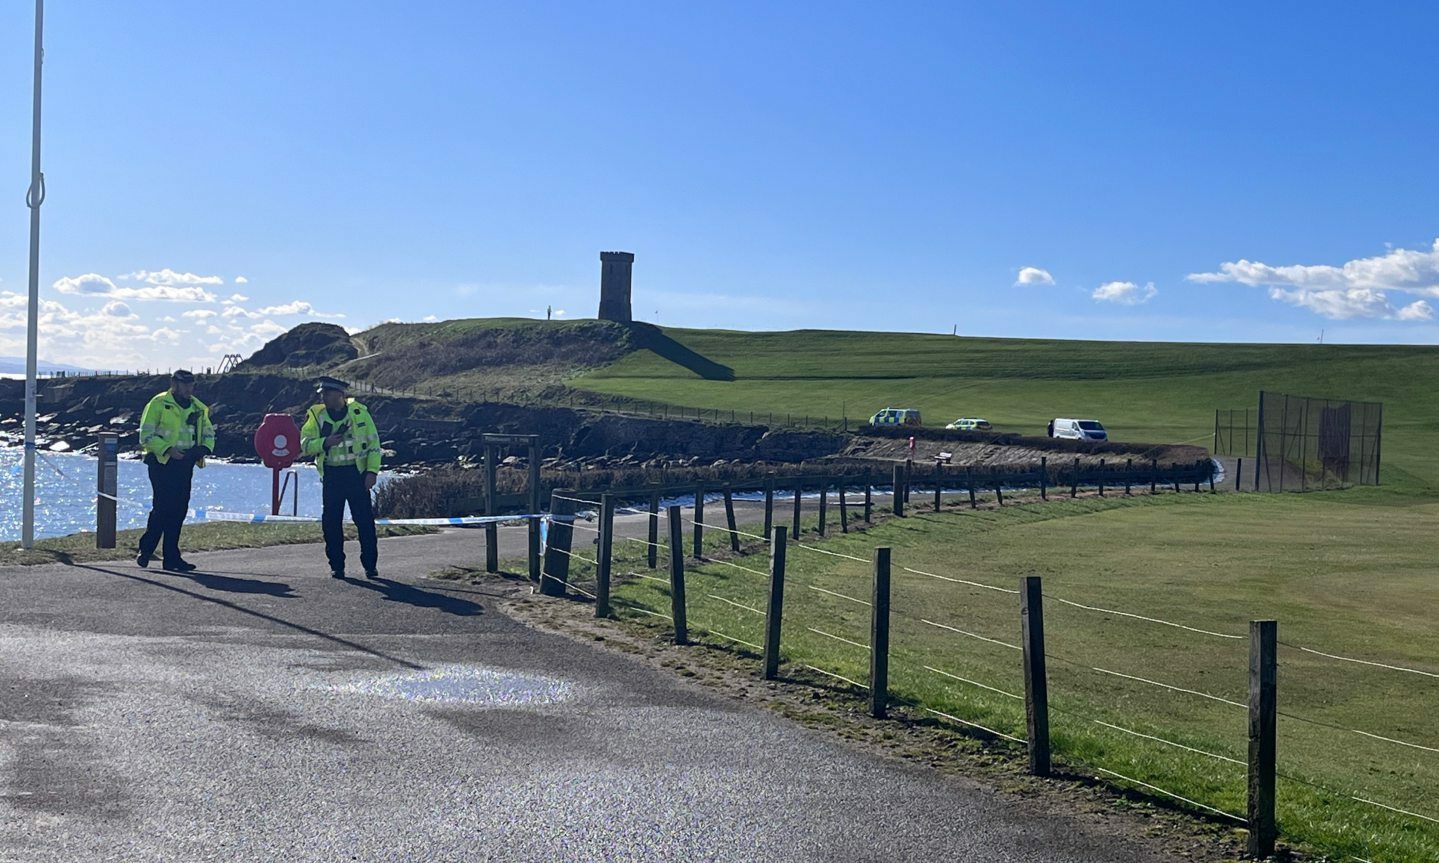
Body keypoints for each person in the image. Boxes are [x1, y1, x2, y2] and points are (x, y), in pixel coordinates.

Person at [301, 377, 382, 579]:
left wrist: (372, 472)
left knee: (365, 522)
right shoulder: (317, 416)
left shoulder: (359, 413)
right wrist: (324, 442)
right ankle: (337, 566)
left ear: (340, 394)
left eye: (327, 394)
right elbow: (305, 444)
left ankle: (370, 566)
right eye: (322, 394)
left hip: (357, 475)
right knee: (331, 523)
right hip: (332, 475)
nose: (323, 397)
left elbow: (374, 445)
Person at [136, 370, 215, 572]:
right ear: (174, 384)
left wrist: (202, 450)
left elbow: (209, 433)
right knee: (162, 507)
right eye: (184, 384)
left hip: (185, 464)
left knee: (179, 510)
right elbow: (146, 435)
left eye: (191, 385)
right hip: (161, 462)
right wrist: (168, 449)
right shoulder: (158, 403)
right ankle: (146, 548)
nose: (188, 389)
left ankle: (171, 558)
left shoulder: (198, 408)